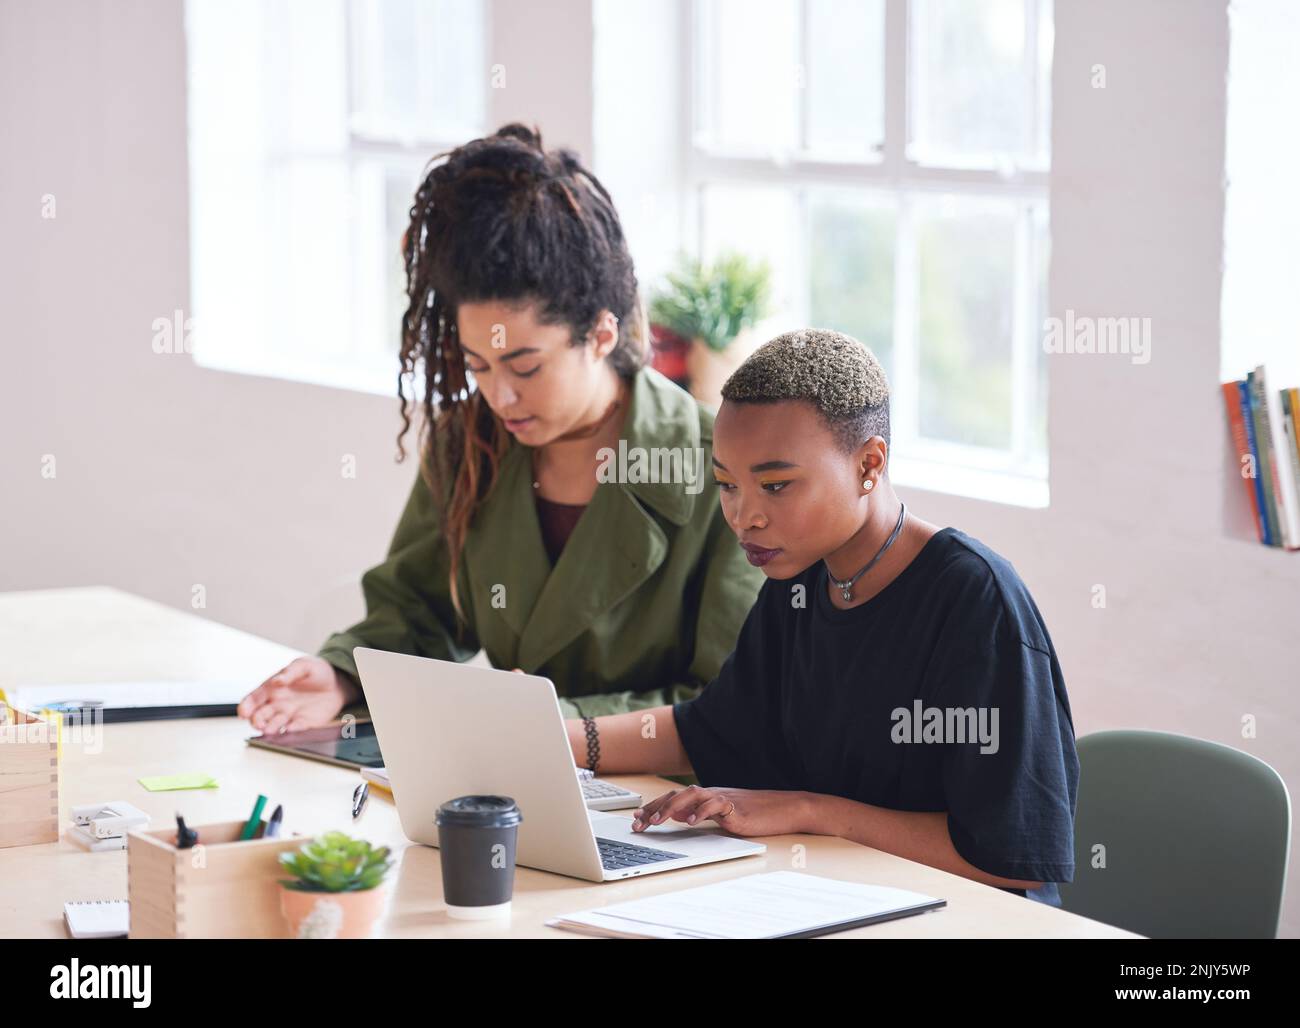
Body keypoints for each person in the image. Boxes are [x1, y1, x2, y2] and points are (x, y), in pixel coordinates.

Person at [239, 124, 763, 733]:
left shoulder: (720, 465)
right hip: (513, 777)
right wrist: (342, 675)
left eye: (525, 365)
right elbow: (418, 611)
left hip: (671, 807)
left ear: (600, 334)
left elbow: (729, 702)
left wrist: (551, 722)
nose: (500, 395)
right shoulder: (472, 442)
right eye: (477, 365)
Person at [563, 328, 1080, 905]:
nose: (744, 517)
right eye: (727, 485)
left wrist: (810, 811)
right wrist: (554, 738)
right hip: (837, 895)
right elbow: (705, 731)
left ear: (869, 463)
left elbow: (1005, 858)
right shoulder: (802, 580)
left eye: (776, 485)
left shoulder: (975, 602)